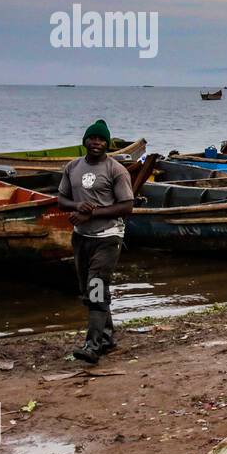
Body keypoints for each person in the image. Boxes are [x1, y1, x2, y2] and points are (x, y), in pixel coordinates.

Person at [56, 119, 134, 364]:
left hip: (108, 237)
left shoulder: (116, 170)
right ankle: (107, 337)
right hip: (81, 237)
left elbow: (127, 206)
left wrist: (92, 213)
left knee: (97, 287)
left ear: (107, 144)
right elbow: (61, 200)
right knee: (87, 291)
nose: (96, 142)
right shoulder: (72, 167)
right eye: (93, 138)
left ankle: (92, 345)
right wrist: (77, 205)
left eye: (101, 139)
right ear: (85, 141)